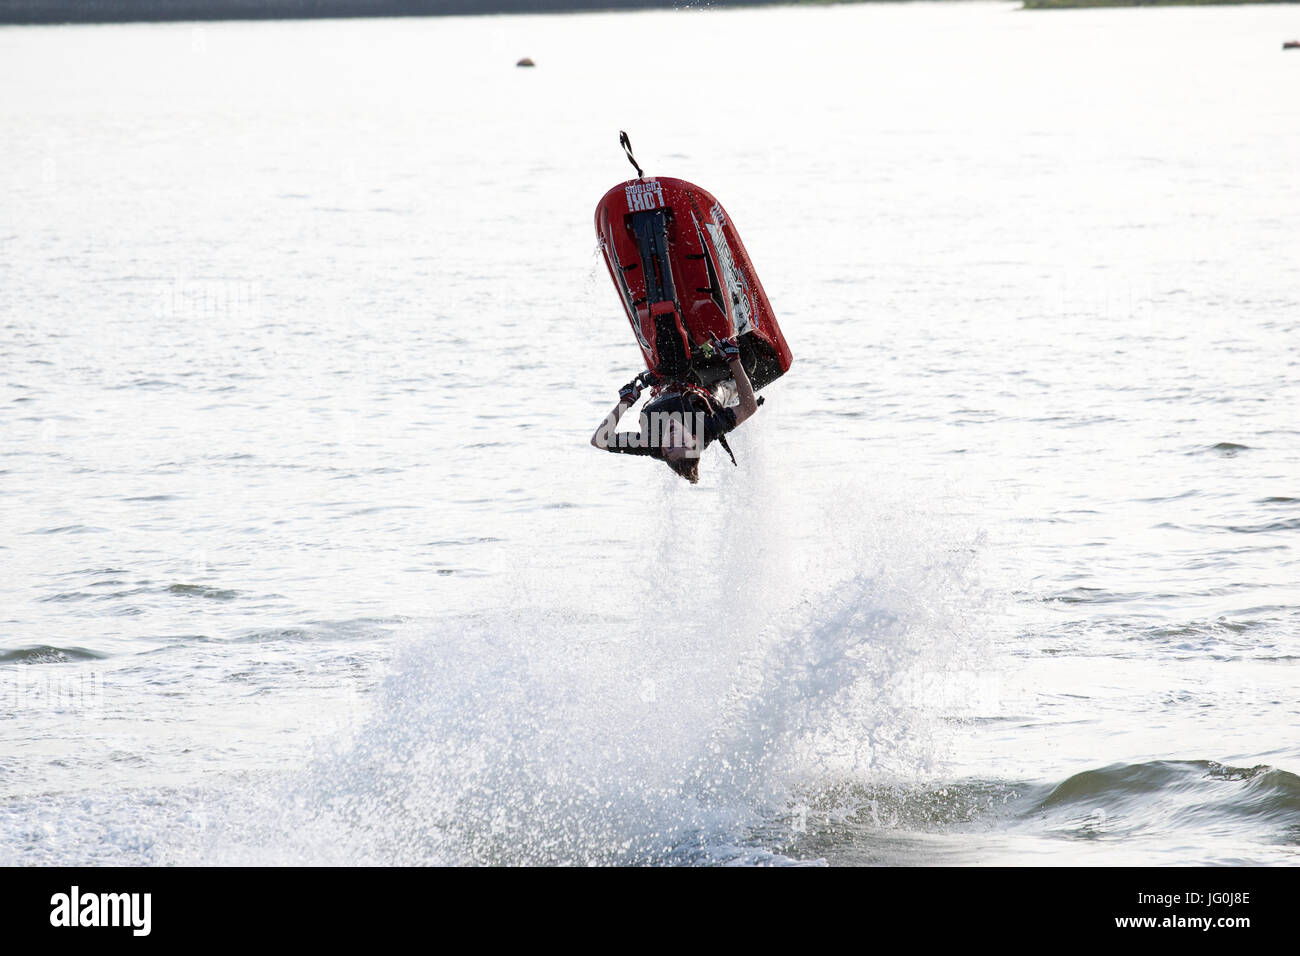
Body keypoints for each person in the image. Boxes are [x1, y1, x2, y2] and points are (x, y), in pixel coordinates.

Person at [590, 335, 761, 484]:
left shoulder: (651, 443)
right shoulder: (707, 427)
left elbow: (599, 440)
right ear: (694, 438)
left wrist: (625, 403)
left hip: (665, 382)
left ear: (663, 449)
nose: (673, 438)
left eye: (670, 447)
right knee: (748, 364)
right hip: (705, 388)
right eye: (682, 442)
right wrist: (733, 359)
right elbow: (749, 408)